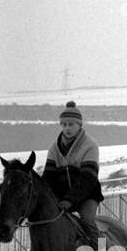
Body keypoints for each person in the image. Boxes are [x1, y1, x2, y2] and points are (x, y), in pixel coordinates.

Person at [42, 101, 104, 242]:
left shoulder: (90, 145)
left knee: (87, 221)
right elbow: (48, 177)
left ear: (79, 125)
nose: (67, 128)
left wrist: (70, 200)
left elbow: (87, 179)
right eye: (64, 124)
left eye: (71, 124)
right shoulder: (54, 148)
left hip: (87, 194)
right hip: (63, 198)